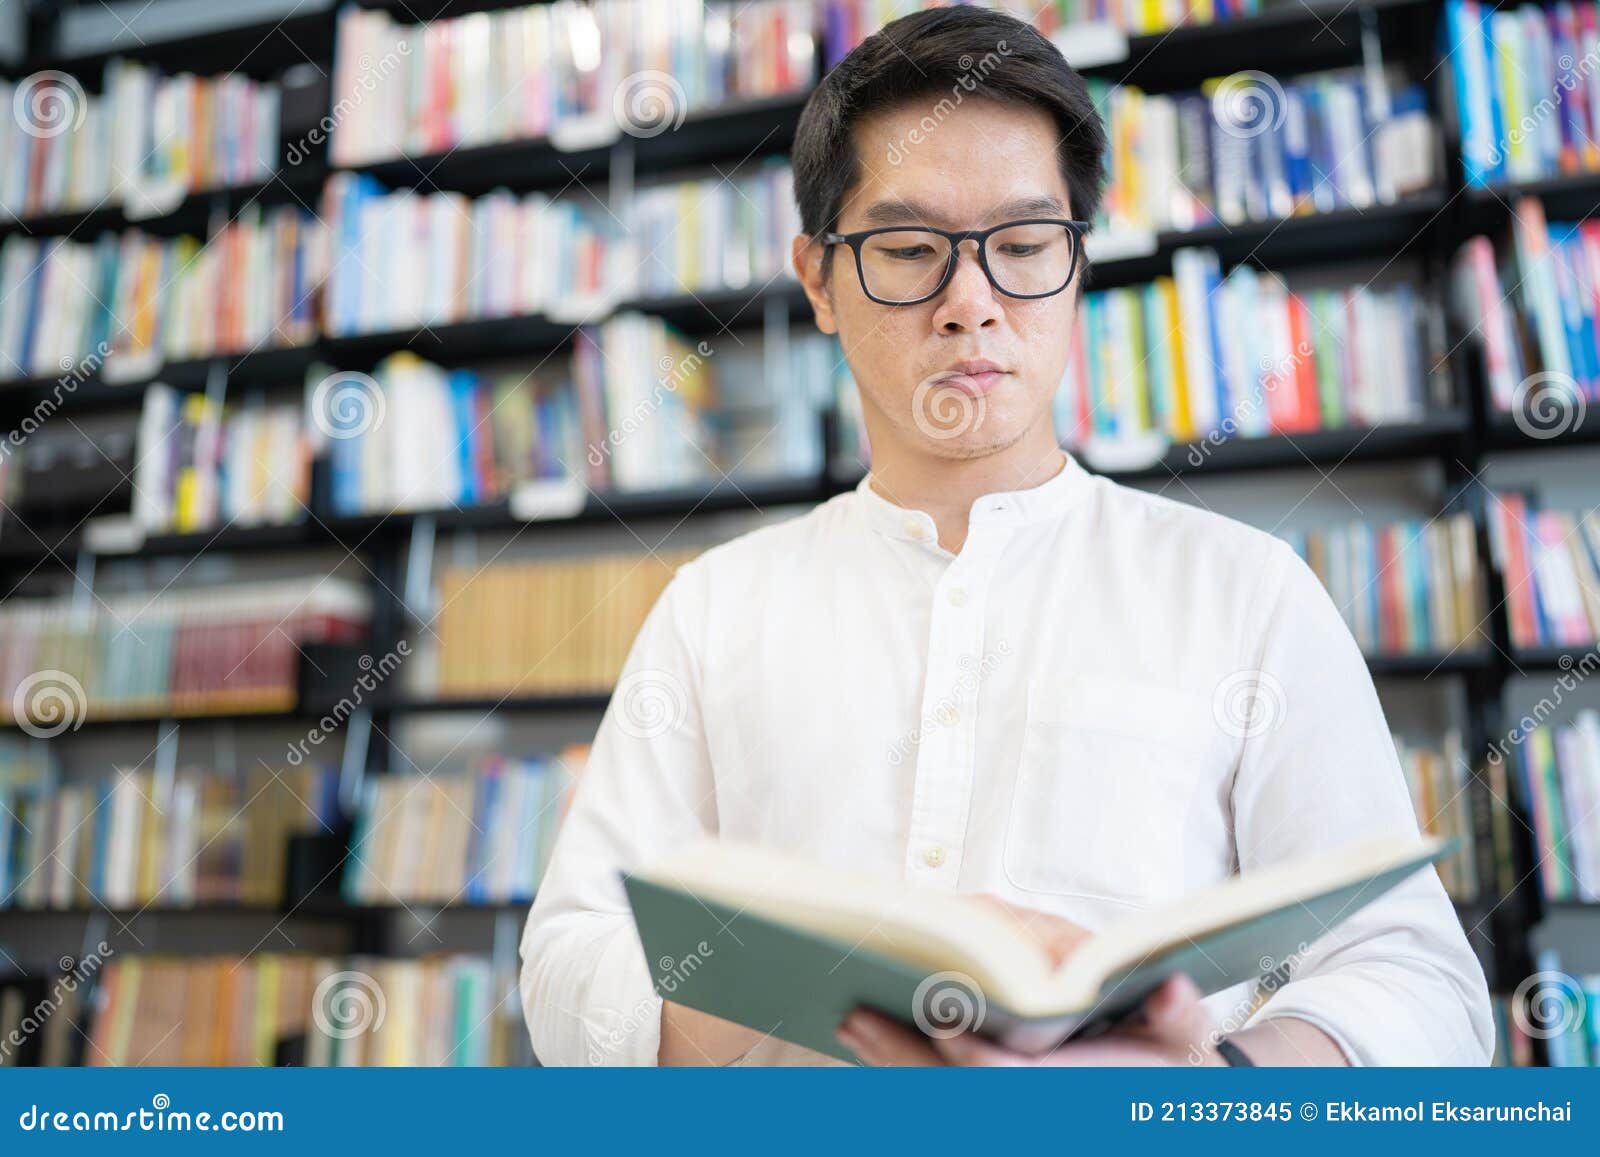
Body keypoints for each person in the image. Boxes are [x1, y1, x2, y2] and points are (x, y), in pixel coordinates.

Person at [520, 5, 1493, 1067]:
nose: (970, 302)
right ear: (818, 278)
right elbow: (571, 964)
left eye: (1023, 245)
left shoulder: (1246, 591)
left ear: (1076, 264)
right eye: (907, 249)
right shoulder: (715, 606)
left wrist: (1214, 1082)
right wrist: (829, 985)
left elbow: (1416, 979)